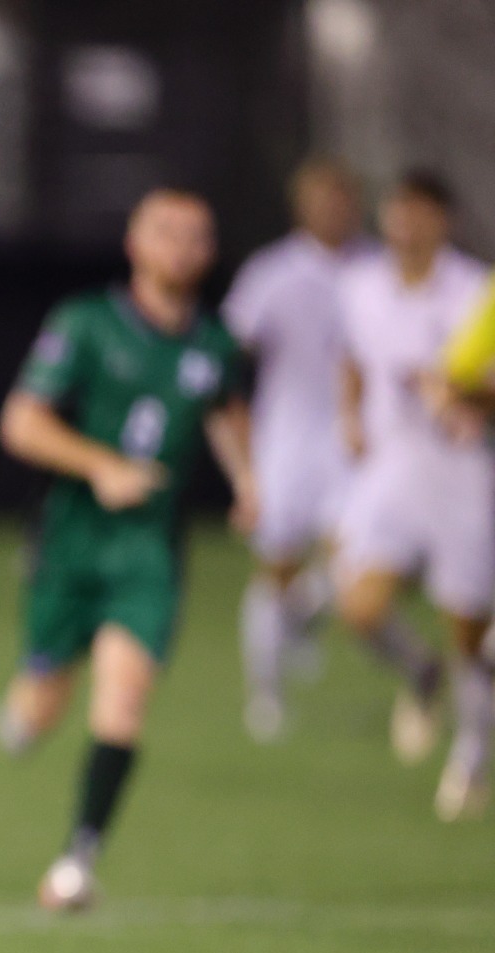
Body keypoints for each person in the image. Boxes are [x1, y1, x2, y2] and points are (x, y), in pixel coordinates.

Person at [0, 188, 256, 909]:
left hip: (149, 551)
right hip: (73, 540)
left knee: (125, 693)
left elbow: (228, 411)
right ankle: (31, 700)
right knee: (39, 710)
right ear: (135, 244)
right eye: (167, 231)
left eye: (198, 235)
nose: (183, 245)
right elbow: (21, 424)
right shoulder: (85, 323)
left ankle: (78, 858)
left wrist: (247, 479)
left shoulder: (214, 342)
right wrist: (100, 466)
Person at [334, 170, 491, 821]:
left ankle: (473, 752)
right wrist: (349, 415)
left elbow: (477, 387)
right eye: (398, 210)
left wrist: (457, 394)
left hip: (462, 472)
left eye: (420, 212)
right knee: (359, 604)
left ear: (442, 220)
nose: (406, 224)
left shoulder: (475, 290)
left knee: (469, 633)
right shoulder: (361, 285)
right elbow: (352, 356)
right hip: (393, 465)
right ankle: (417, 672)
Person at [223, 161, 372, 741]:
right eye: (323, 201)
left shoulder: (375, 268)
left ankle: (306, 617)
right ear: (302, 207)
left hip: (356, 444)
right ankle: (265, 696)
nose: (336, 211)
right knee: (276, 569)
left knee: (358, 564)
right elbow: (230, 349)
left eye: (344, 200)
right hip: (285, 438)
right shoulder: (271, 272)